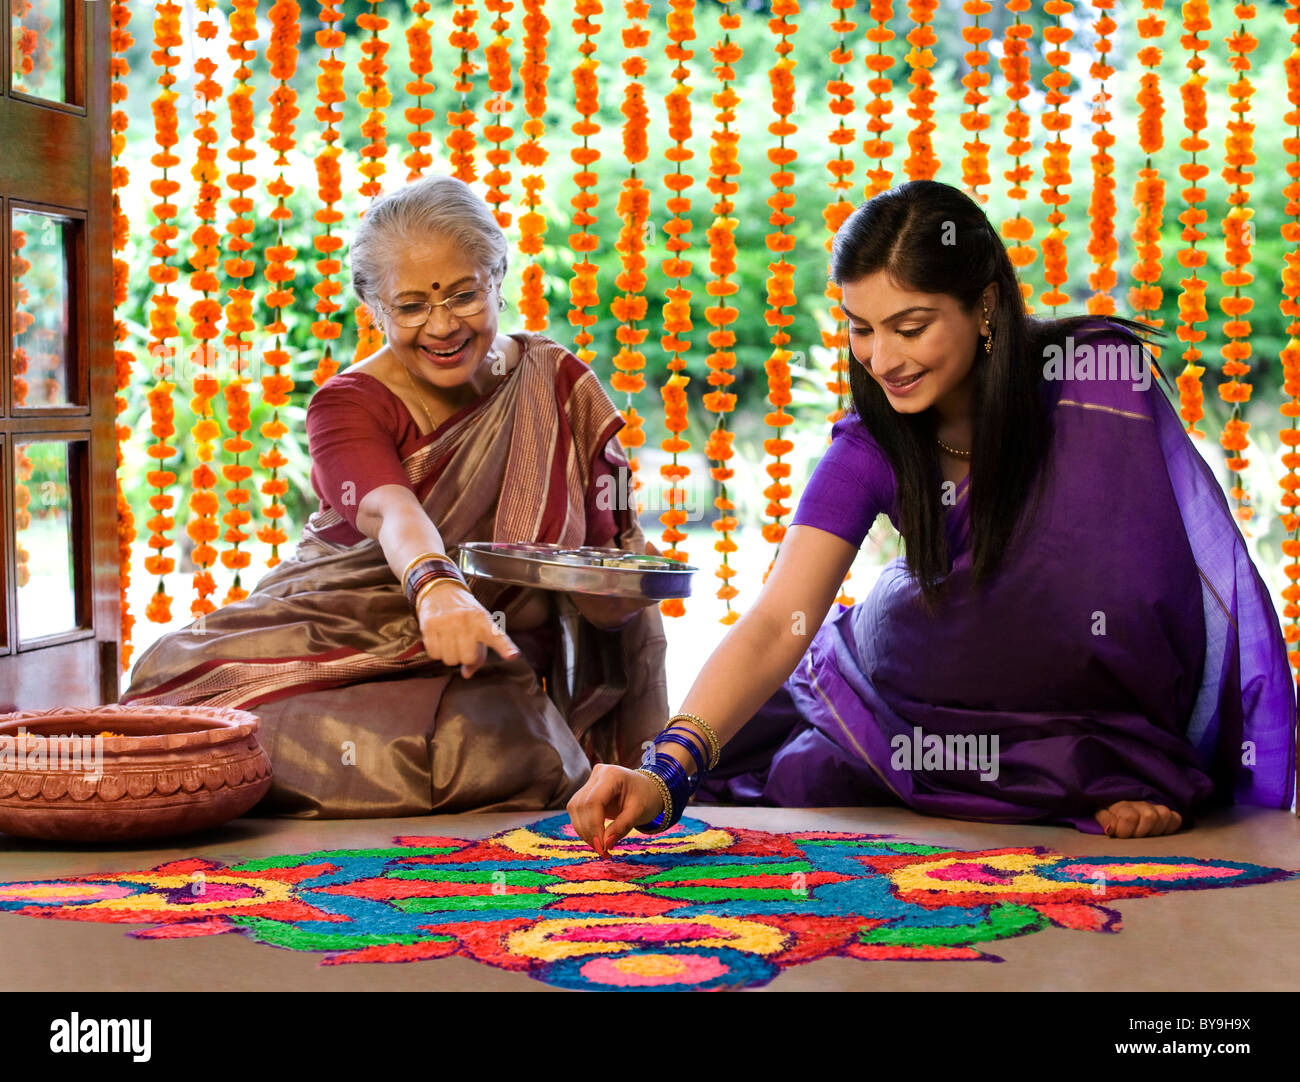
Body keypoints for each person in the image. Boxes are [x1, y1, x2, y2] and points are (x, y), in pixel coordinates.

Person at [567, 179, 1298, 853]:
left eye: (910, 326)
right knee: (801, 779)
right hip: (921, 695)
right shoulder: (869, 446)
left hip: (1087, 706)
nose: (882, 360)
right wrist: (667, 771)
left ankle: (1106, 761)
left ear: (983, 307)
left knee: (1108, 730)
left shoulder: (1091, 387)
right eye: (860, 328)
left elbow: (1156, 584)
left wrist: (1125, 757)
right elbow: (778, 617)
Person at [121, 175, 669, 818]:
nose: (442, 326)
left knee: (496, 749)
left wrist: (620, 593)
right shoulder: (347, 402)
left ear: (499, 278)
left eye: (464, 296)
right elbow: (390, 509)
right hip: (330, 633)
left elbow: (601, 571)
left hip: (483, 661)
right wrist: (438, 590)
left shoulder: (556, 384)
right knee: (188, 716)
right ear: (373, 309)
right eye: (410, 307)